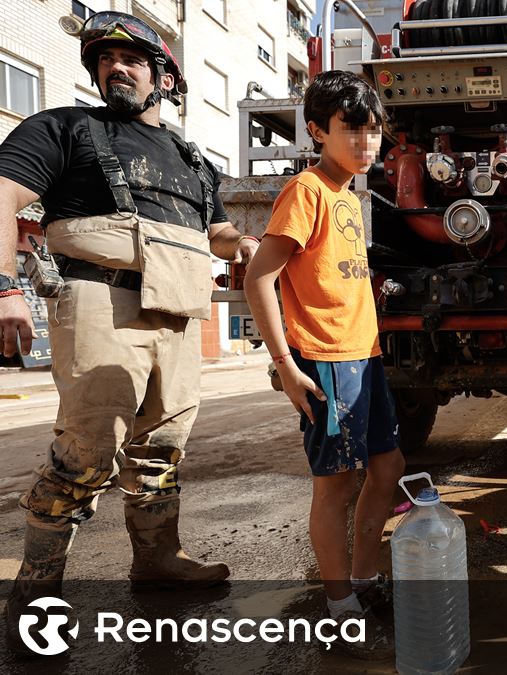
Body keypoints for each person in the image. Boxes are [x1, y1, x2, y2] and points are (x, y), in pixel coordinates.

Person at [0, 12, 257, 652]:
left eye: (133, 59)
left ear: (163, 77)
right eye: (105, 60)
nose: (116, 67)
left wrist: (242, 243)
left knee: (163, 447)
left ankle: (158, 562)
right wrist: (4, 286)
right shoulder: (63, 127)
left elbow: (213, 230)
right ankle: (37, 587)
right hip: (98, 301)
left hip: (176, 309)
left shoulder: (191, 158)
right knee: (90, 450)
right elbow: (2, 197)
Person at [243, 70, 404, 659]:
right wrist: (285, 363)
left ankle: (364, 581)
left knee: (388, 471)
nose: (367, 143)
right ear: (316, 131)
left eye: (374, 131)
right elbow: (260, 274)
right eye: (352, 130)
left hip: (366, 355)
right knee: (336, 487)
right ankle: (339, 609)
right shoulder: (307, 190)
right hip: (327, 360)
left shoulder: (347, 195)